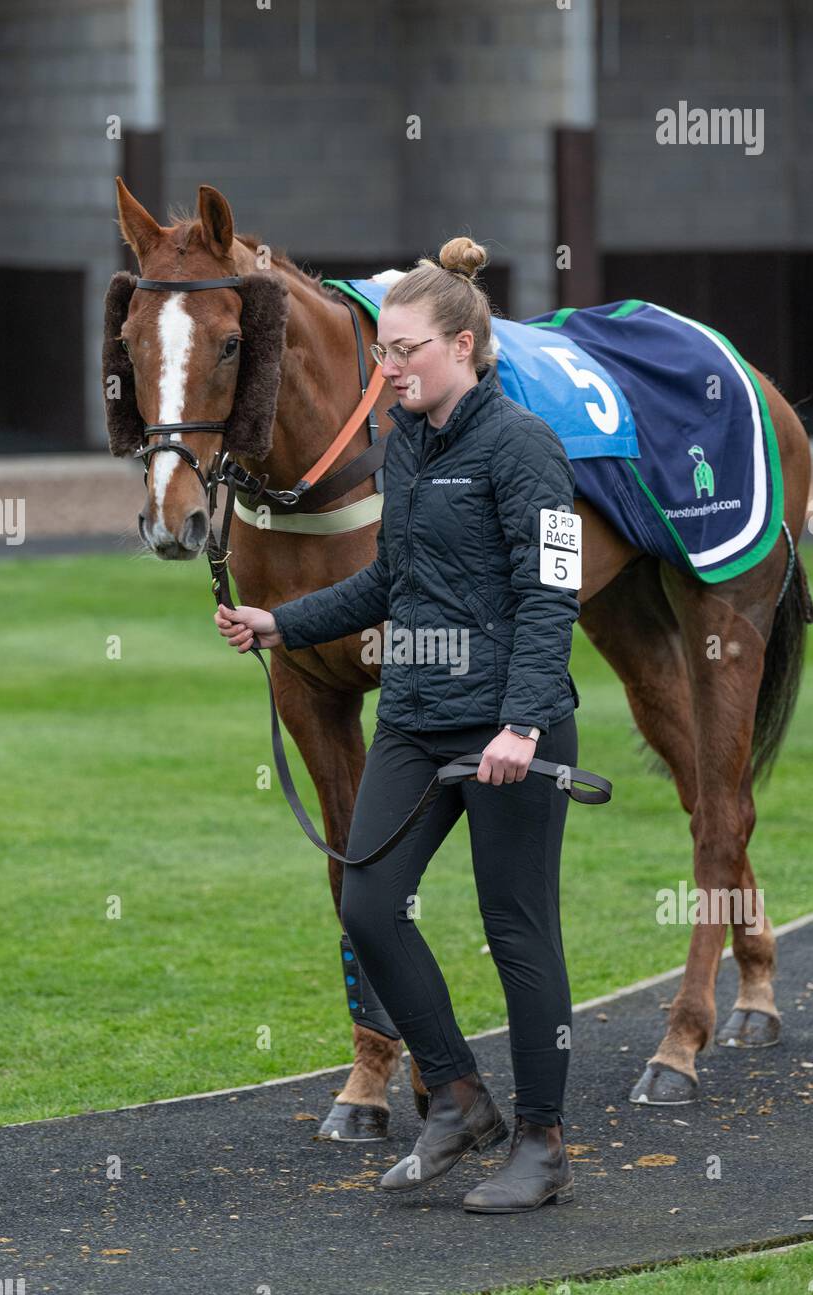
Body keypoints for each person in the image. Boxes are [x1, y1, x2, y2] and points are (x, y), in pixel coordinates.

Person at [214, 236, 581, 1215]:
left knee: (517, 931)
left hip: (512, 731)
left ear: (462, 346)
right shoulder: (407, 447)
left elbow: (552, 596)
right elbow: (385, 581)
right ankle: (458, 1095)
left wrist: (521, 725)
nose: (387, 366)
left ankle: (542, 1144)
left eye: (404, 349)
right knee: (369, 906)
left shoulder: (527, 449)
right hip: (416, 725)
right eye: (383, 349)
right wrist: (279, 621)